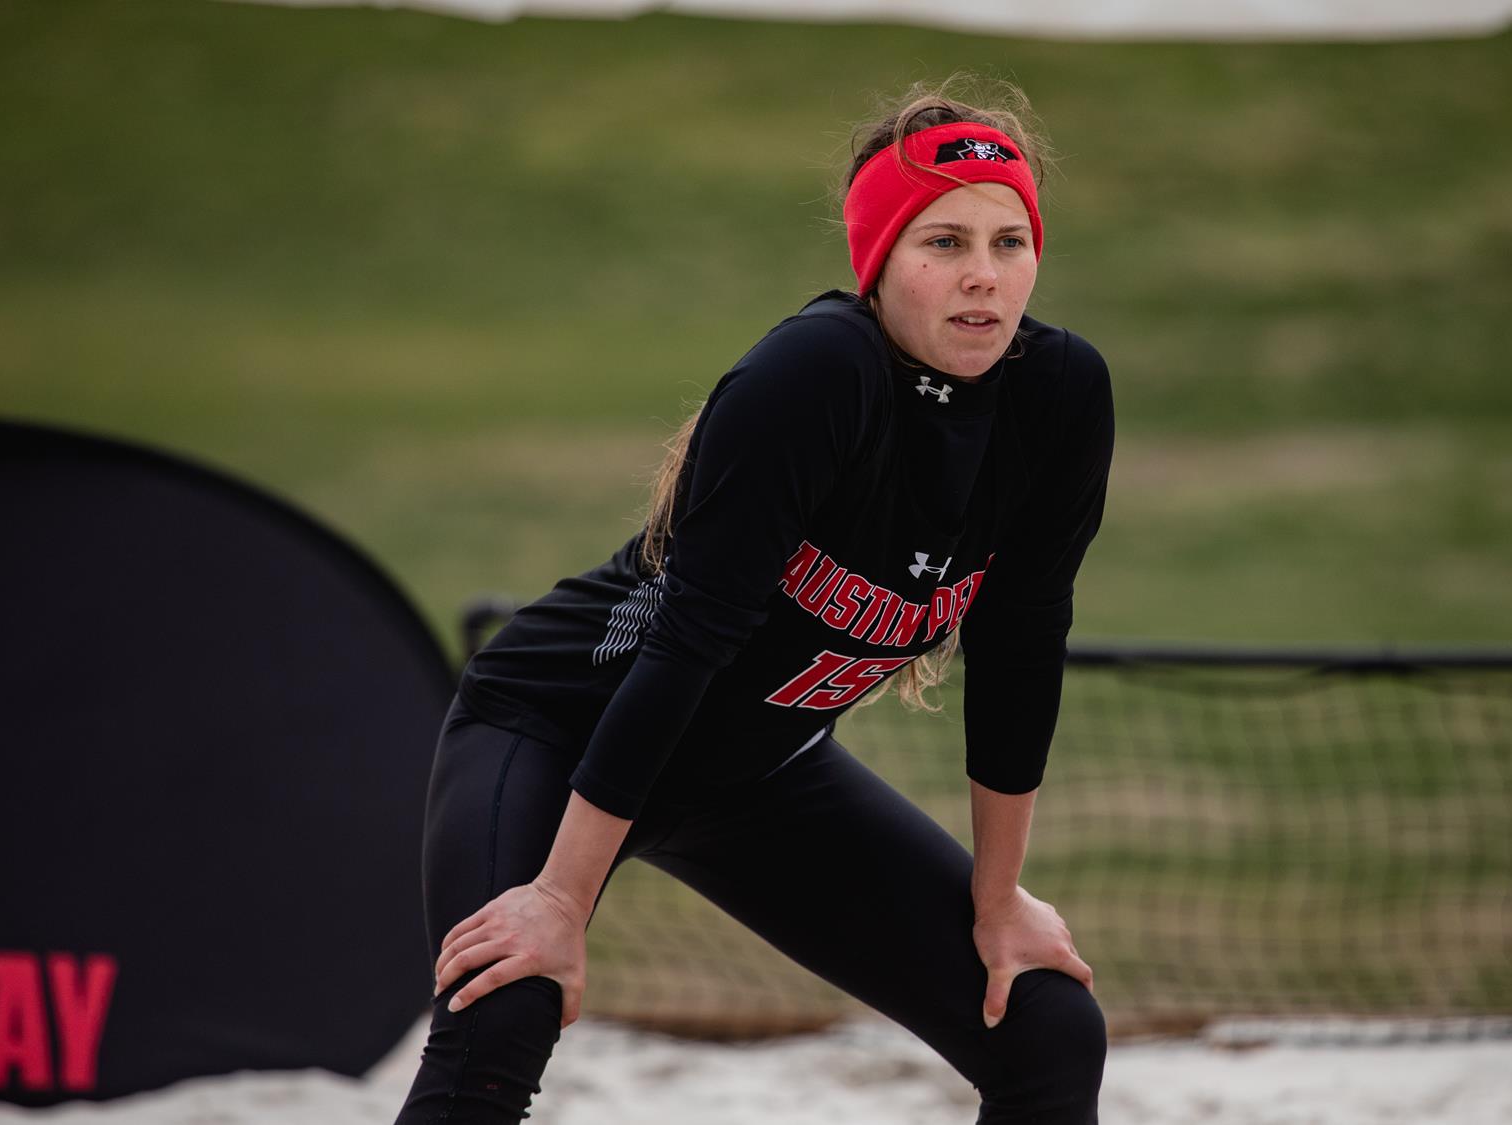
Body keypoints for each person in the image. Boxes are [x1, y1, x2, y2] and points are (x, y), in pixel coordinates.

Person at [394, 81, 1115, 1124]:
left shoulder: (1058, 394)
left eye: (1009, 242)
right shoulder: (817, 374)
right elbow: (690, 643)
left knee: (1045, 1027)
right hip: (561, 729)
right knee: (507, 1008)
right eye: (942, 242)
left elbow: (1021, 645)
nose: (982, 278)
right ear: (876, 262)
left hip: (754, 775)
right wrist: (557, 901)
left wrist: (998, 904)